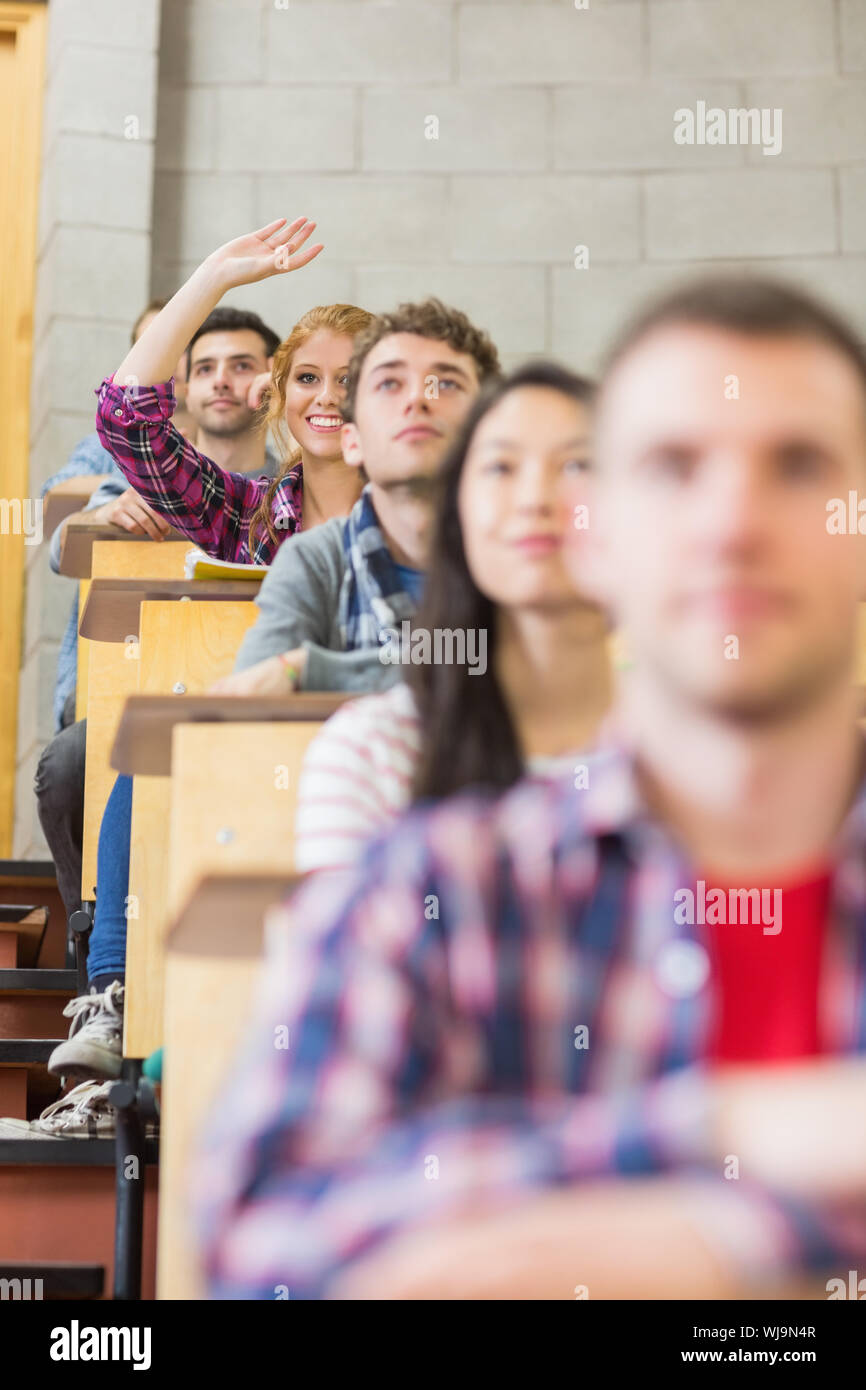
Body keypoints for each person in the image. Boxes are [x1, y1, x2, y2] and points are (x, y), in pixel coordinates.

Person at [194, 273, 866, 1300]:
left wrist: (587, 1240)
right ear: (591, 535)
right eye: (673, 467)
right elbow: (265, 1252)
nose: (731, 520)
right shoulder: (436, 891)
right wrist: (732, 1129)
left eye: (797, 465)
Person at [38, 290, 500, 1129]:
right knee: (153, 743)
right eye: (309, 379)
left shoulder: (494, 532)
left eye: (354, 380)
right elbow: (129, 425)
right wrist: (216, 274)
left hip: (447, 789)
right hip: (292, 774)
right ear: (278, 397)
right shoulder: (262, 519)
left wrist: (312, 668)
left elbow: (494, 671)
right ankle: (121, 991)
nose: (328, 398)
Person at [294, 361, 612, 873]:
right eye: (501, 468)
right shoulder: (372, 752)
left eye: (578, 466)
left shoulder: (711, 745)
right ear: (456, 516)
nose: (535, 499)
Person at [34, 304, 290, 933]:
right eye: (205, 368)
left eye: (242, 366)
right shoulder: (137, 478)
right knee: (67, 767)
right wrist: (107, 515)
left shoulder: (294, 486)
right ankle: (94, 949)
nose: (223, 380)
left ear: (272, 384)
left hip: (263, 696)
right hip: (131, 690)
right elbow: (61, 546)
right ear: (185, 387)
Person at [211, 293, 502, 697]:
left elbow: (524, 670)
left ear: (486, 423)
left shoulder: (527, 542)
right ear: (353, 440)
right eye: (389, 384)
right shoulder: (314, 561)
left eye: (445, 383)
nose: (416, 399)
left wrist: (312, 668)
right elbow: (249, 704)